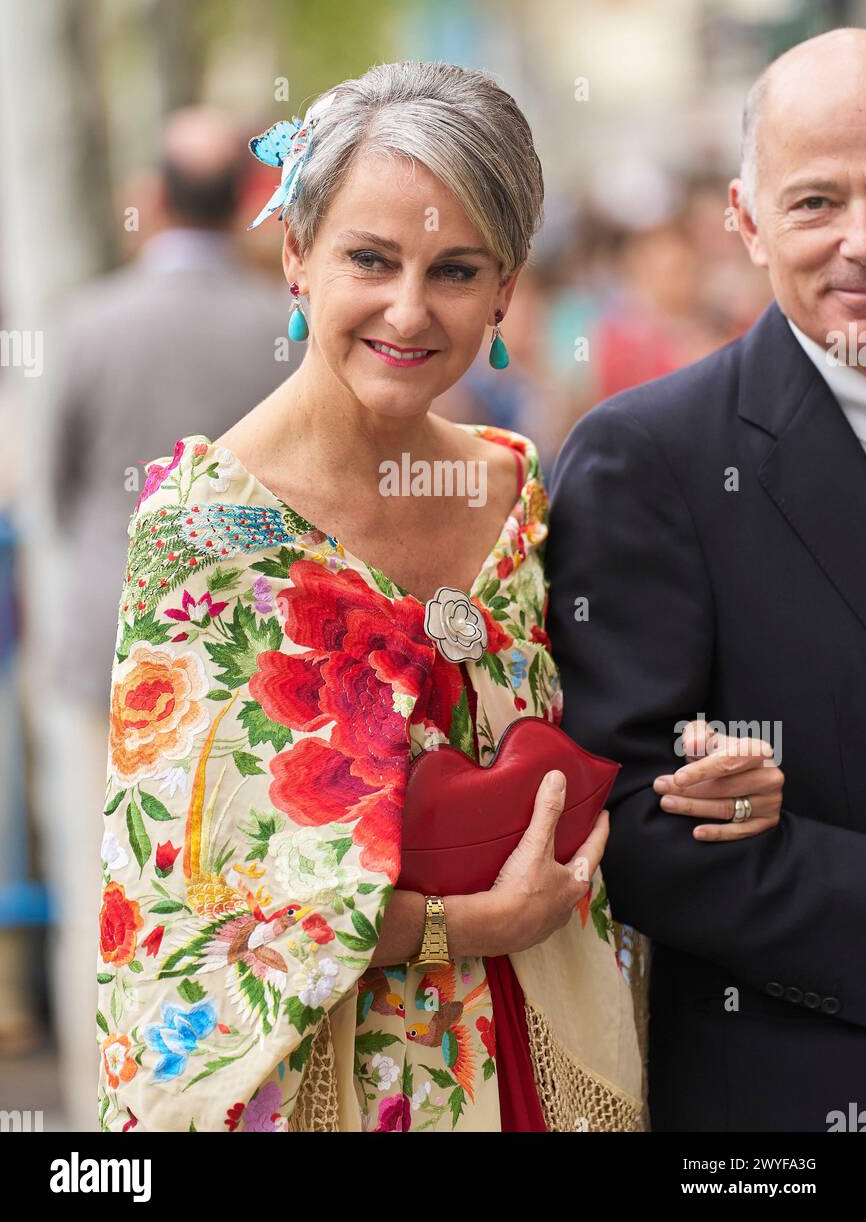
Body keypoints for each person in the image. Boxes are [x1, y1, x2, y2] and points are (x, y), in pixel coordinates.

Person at [95, 61, 778, 1133]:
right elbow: (178, 906)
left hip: (555, 1057)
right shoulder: (202, 526)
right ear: (295, 257)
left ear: (506, 291)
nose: (408, 310)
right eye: (370, 258)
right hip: (334, 1087)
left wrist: (709, 768)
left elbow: (595, 740)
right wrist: (454, 927)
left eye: (455, 270)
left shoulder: (517, 490)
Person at [546, 27, 866, 1133]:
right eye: (815, 202)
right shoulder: (649, 456)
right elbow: (629, 814)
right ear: (743, 219)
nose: (855, 243)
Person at [42, 105, 299, 1130]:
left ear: (150, 202)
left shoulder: (86, 322)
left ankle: (99, 1112)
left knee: (95, 889)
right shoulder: (278, 330)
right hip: (246, 650)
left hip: (104, 645)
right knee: (228, 893)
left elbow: (55, 491)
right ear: (246, 204)